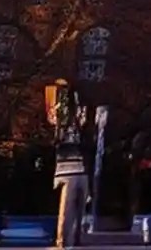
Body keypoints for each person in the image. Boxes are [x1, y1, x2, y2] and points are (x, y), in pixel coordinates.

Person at [50, 83, 89, 249]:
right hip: (67, 171)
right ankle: (63, 243)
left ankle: (74, 241)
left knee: (78, 211)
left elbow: (82, 117)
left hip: (79, 169)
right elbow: (55, 117)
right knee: (67, 212)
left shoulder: (78, 121)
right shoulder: (59, 119)